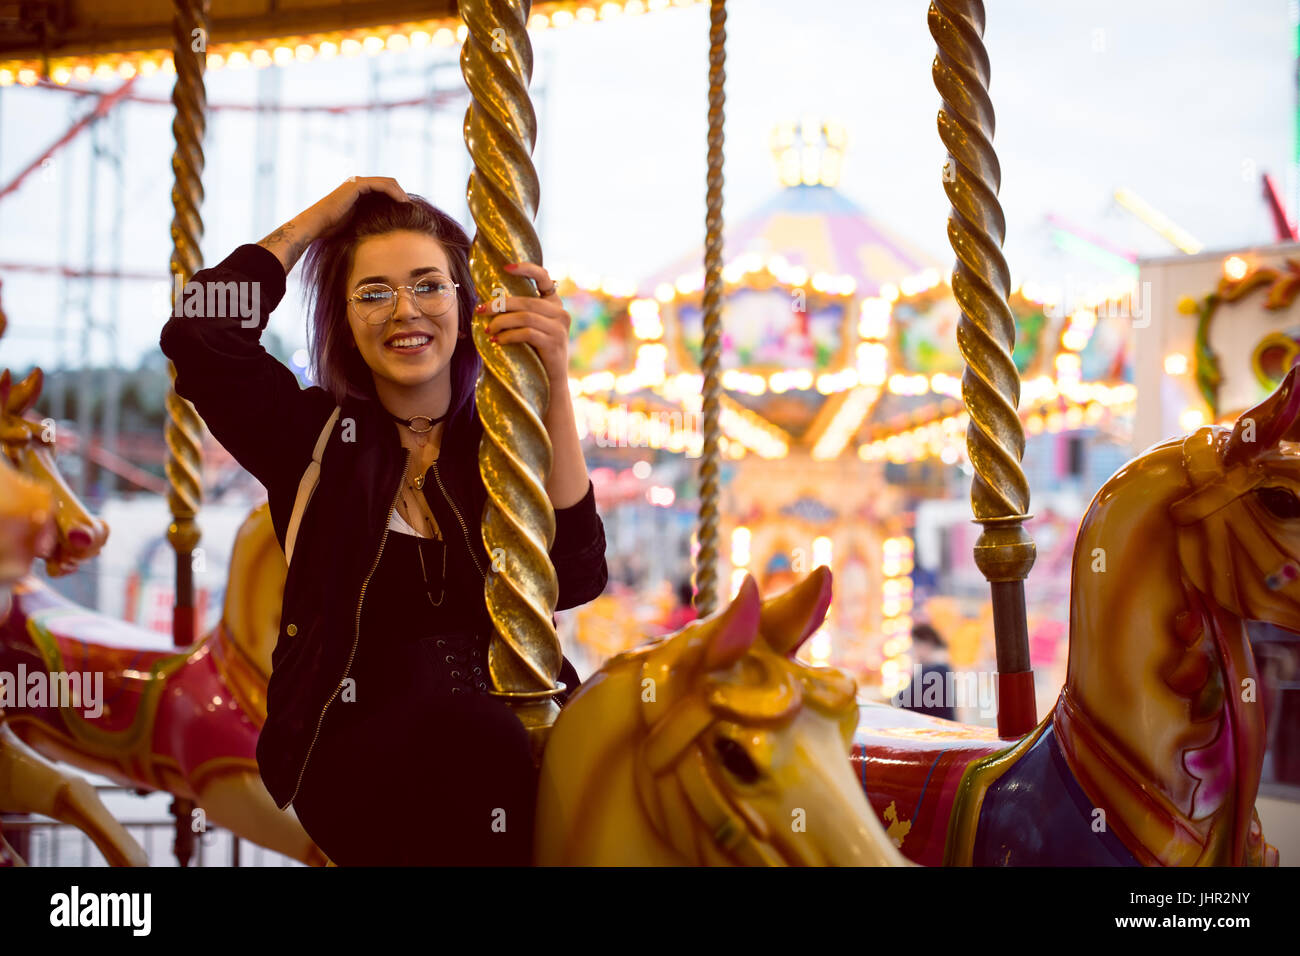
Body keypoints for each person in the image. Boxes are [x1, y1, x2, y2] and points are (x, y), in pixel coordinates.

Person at [160, 178, 608, 865]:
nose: (406, 310)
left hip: (504, 742)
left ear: (465, 305)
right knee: (480, 733)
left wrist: (553, 377)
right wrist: (324, 216)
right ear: (343, 317)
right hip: (359, 745)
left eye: (429, 285)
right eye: (373, 293)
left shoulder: (495, 449)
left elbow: (575, 575)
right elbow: (199, 333)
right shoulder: (309, 436)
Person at [891, 623, 957, 721]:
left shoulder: (935, 670)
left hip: (937, 731)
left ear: (926, 644)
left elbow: (902, 700)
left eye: (916, 645)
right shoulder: (941, 667)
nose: (914, 651)